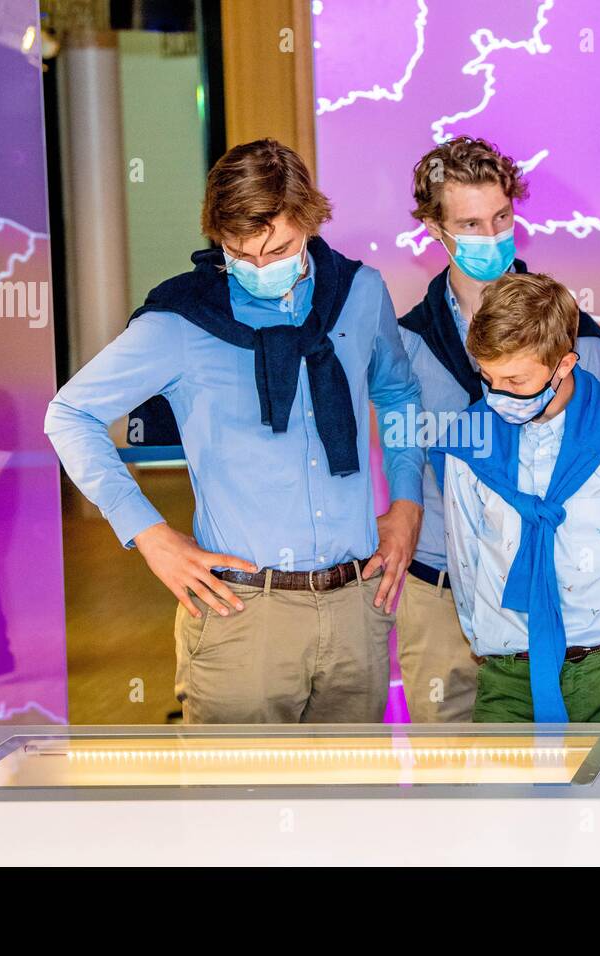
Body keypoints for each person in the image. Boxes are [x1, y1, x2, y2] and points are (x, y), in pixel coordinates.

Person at [45, 139, 424, 724]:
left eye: (280, 249)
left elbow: (397, 392)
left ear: (310, 219)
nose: (261, 268)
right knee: (232, 812)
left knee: (350, 812)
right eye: (240, 254)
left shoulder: (359, 292)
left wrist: (406, 501)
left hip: (357, 609)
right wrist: (148, 533)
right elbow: (69, 415)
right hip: (241, 614)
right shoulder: (181, 320)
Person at [395, 135, 600, 723]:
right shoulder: (402, 348)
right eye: (469, 223)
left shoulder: (583, 341)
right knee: (450, 787)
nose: (491, 236)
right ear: (433, 228)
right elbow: (403, 461)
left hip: (554, 600)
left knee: (557, 781)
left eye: (501, 217)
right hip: (441, 592)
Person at [431, 273, 600, 723]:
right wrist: (492, 640)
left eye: (515, 381)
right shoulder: (469, 441)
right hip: (511, 675)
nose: (497, 397)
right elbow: (466, 558)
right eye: (488, 378)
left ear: (564, 365)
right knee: (499, 792)